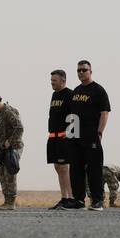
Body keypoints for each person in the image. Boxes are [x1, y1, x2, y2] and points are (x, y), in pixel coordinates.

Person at [67, 62, 110, 210]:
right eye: (78, 70)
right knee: (76, 169)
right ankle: (78, 200)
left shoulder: (98, 90)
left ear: (91, 71)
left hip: (91, 136)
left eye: (84, 70)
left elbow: (104, 113)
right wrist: (70, 134)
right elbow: (72, 114)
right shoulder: (76, 91)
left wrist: (99, 132)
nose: (81, 72)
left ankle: (97, 200)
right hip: (75, 136)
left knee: (94, 170)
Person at [46, 69, 77, 209]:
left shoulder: (70, 95)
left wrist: (71, 137)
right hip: (53, 137)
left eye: (55, 80)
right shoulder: (54, 95)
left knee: (65, 167)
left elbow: (74, 117)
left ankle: (71, 198)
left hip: (65, 137)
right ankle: (64, 197)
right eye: (51, 80)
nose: (52, 83)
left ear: (63, 80)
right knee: (58, 167)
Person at [0, 95, 22, 210]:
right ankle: (7, 200)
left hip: (14, 147)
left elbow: (19, 127)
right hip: (5, 149)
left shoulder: (8, 112)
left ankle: (11, 202)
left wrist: (10, 141)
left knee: (9, 172)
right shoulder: (1, 114)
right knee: (2, 172)